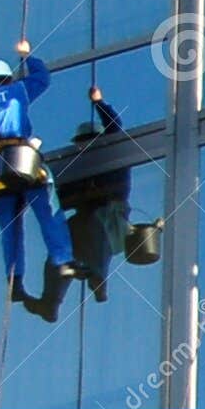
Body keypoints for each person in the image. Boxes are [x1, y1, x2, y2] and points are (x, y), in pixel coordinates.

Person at [0, 42, 79, 324]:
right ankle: (62, 260)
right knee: (46, 203)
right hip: (18, 158)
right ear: (7, 77)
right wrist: (27, 56)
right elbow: (42, 78)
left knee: (10, 226)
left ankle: (14, 279)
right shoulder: (17, 90)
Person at [63, 86, 133, 304]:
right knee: (66, 233)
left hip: (111, 215)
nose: (83, 148)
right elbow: (63, 196)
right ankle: (52, 298)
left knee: (96, 226)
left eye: (86, 142)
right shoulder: (77, 169)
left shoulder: (111, 156)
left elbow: (115, 128)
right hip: (86, 219)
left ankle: (99, 278)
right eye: (81, 144)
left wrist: (99, 103)